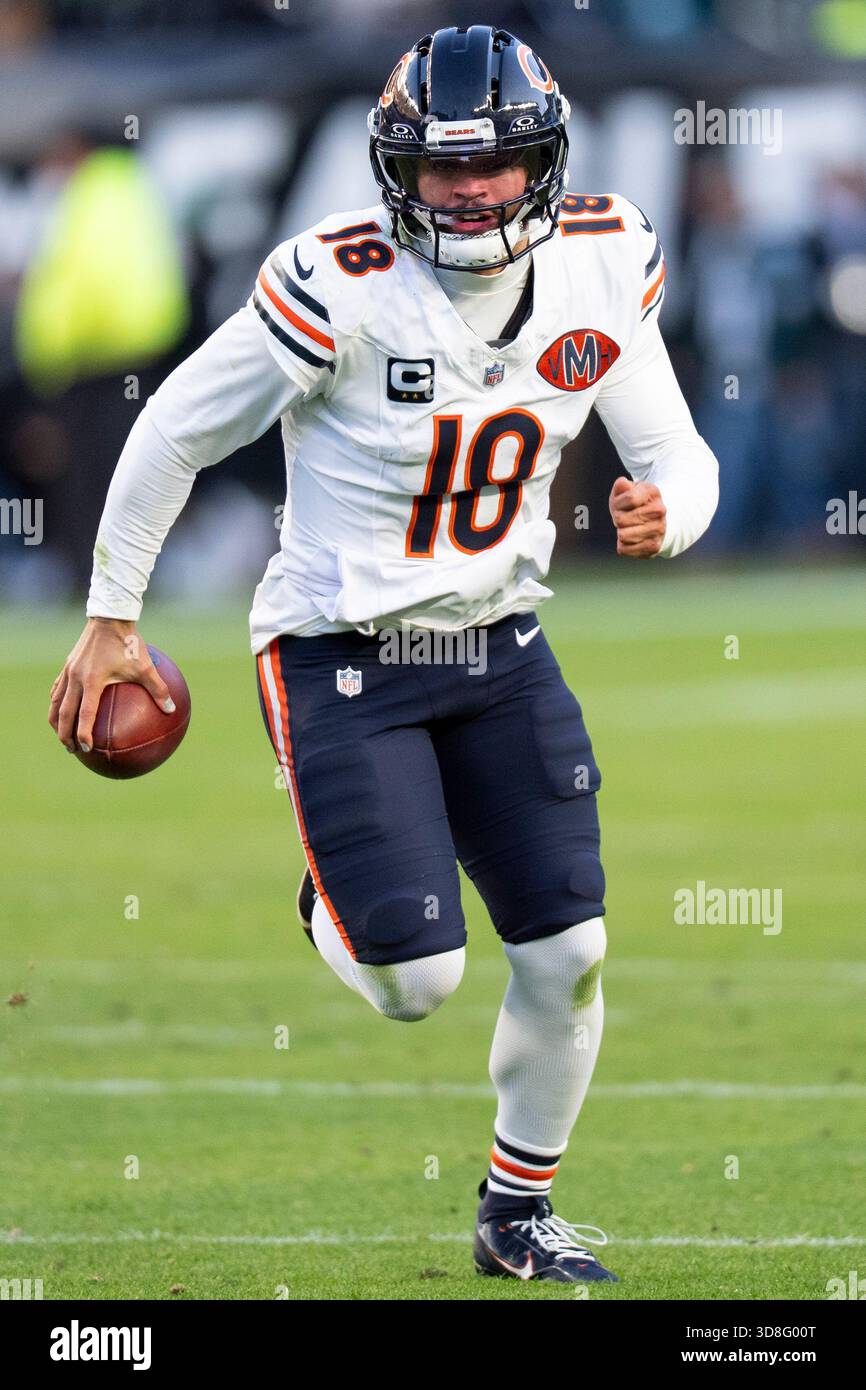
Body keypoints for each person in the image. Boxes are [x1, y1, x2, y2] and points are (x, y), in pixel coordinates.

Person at [49, 25, 718, 1285]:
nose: (468, 191)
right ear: (392, 173)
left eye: (497, 163)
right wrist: (111, 615)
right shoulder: (336, 285)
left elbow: (676, 451)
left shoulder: (600, 260)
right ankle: (334, 900)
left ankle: (514, 1215)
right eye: (440, 168)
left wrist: (668, 510)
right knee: (419, 980)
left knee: (569, 952)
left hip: (503, 645)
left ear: (545, 162)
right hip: (340, 652)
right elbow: (172, 434)